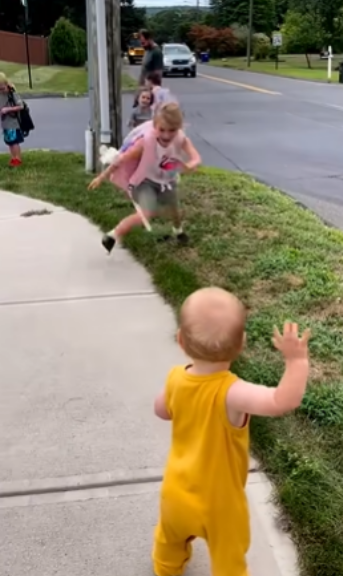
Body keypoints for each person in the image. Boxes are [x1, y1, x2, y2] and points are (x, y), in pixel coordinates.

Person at [152, 287, 311, 576]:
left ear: (180, 341)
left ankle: (166, 568)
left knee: (168, 540)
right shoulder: (233, 394)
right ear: (241, 345)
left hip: (175, 493)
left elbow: (161, 410)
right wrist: (297, 362)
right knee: (229, 563)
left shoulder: (175, 378)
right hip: (219, 506)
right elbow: (280, 401)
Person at [88, 102, 201, 253]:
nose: (166, 135)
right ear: (155, 126)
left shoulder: (181, 138)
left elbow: (196, 157)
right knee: (147, 213)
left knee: (174, 209)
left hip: (167, 181)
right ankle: (112, 235)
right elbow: (122, 159)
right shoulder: (146, 142)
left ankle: (178, 230)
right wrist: (101, 177)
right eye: (162, 130)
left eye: (172, 130)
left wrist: (189, 165)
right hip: (142, 182)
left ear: (179, 128)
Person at [0, 73, 25, 168]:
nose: (1, 91)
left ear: (6, 84)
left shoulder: (12, 93)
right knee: (9, 142)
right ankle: (13, 158)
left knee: (14, 141)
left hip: (13, 123)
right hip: (5, 123)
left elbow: (21, 106)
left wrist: (8, 109)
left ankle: (17, 159)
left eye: (2, 88)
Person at [135, 29, 163, 107]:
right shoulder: (147, 50)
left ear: (149, 39)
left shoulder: (156, 52)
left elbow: (158, 73)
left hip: (150, 91)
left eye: (143, 42)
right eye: (140, 43)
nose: (142, 45)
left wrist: (154, 91)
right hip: (143, 88)